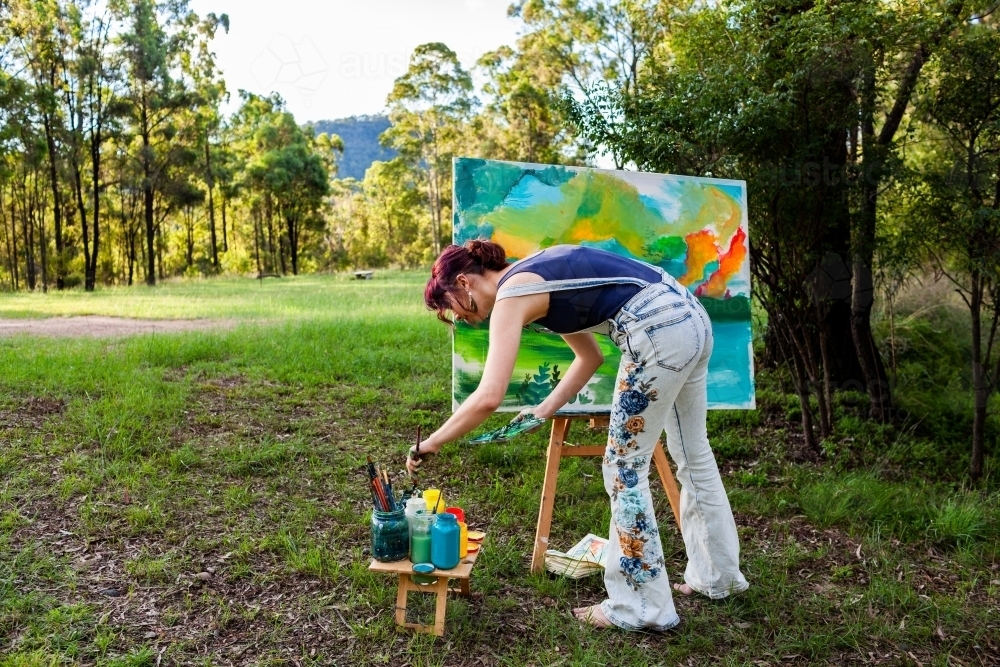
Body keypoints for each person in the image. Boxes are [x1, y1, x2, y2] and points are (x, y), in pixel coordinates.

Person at [407, 239, 748, 631]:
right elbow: (591, 356)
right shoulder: (533, 276)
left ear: (464, 282)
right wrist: (544, 408)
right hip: (688, 316)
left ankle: (641, 606)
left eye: (450, 307)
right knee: (693, 453)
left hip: (656, 329)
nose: (460, 319)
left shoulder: (511, 295)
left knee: (624, 469)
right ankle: (718, 577)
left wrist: (430, 442)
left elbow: (488, 396)